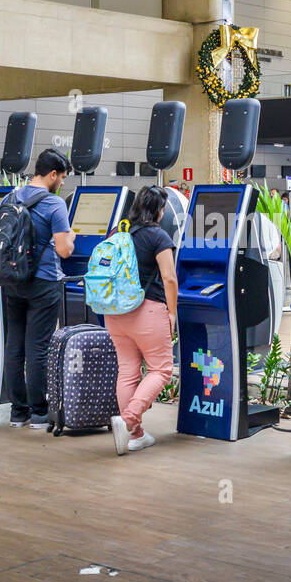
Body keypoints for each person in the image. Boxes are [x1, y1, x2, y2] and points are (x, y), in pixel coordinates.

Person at [4, 148, 74, 429]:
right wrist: (70, 237)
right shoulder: (54, 204)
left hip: (13, 280)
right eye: (63, 177)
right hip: (44, 282)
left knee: (15, 345)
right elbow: (64, 250)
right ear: (53, 174)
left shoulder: (11, 197)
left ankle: (17, 412)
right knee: (38, 347)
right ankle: (39, 411)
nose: (63, 183)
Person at [104, 186, 177, 455]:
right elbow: (169, 277)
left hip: (114, 312)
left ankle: (134, 436)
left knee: (128, 371)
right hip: (147, 312)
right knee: (161, 370)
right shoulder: (158, 236)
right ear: (158, 210)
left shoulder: (118, 232)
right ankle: (128, 420)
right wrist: (171, 312)